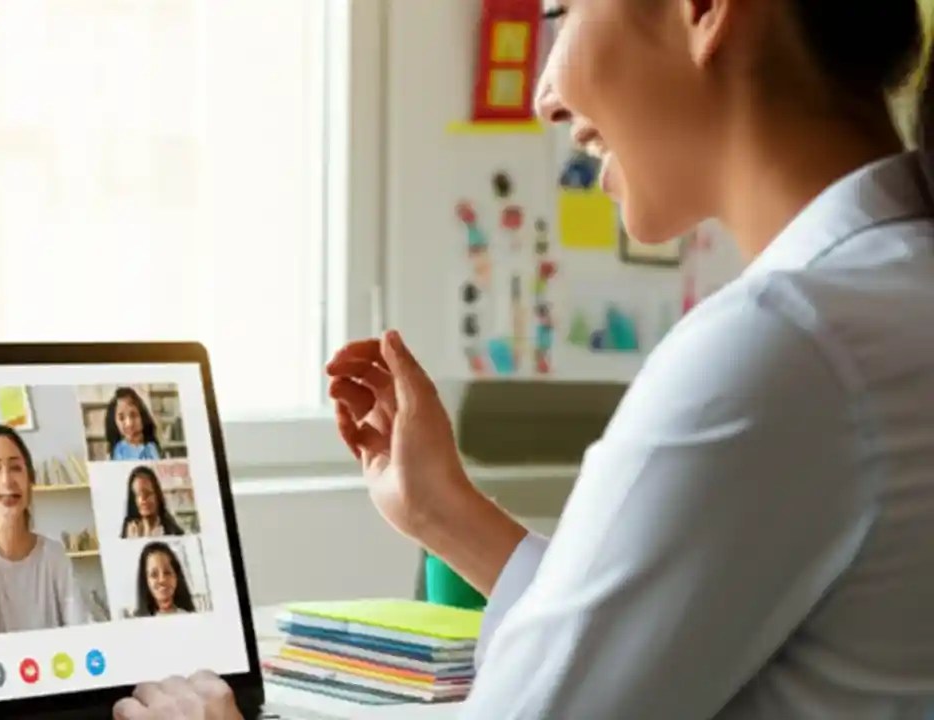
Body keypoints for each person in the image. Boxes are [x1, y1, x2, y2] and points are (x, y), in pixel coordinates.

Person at [115, 0, 934, 718]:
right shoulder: (891, 295)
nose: (544, 94)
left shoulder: (783, 345)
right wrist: (443, 511)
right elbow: (647, 623)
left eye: (561, 12)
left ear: (704, 7)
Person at [0, 424, 85, 634]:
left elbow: (82, 628)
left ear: (30, 478)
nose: (7, 481)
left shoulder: (54, 555)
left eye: (15, 467)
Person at [120, 466, 186, 539]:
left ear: (157, 495)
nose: (143, 499)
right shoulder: (129, 531)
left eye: (147, 493)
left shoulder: (173, 532)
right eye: (138, 494)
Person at [133, 542, 195, 617]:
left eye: (167, 572)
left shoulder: (190, 618)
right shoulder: (137, 624)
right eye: (154, 575)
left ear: (176, 576)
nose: (162, 580)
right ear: (146, 581)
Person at [106, 387, 162, 461]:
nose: (129, 424)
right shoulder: (119, 450)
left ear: (142, 417)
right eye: (121, 418)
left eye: (134, 415)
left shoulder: (151, 448)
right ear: (114, 422)